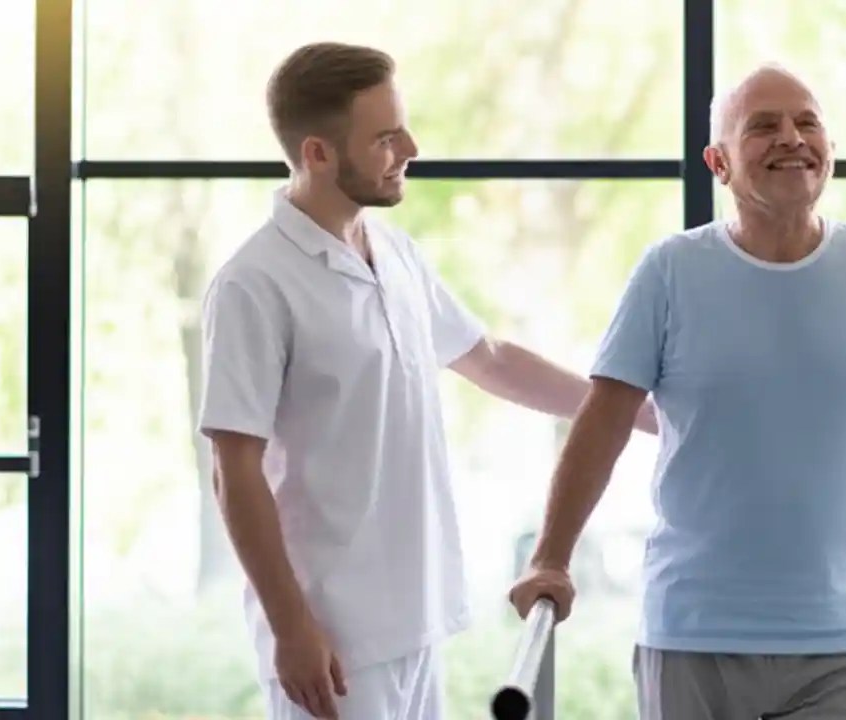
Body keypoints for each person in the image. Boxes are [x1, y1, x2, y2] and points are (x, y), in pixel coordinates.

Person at [507, 63, 846, 719]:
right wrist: (551, 559)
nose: (791, 138)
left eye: (807, 123)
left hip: (843, 637)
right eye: (763, 127)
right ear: (718, 163)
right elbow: (603, 423)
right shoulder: (670, 271)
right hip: (694, 633)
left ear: (830, 150)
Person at [198, 42, 656, 720]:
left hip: (417, 623)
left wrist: (644, 412)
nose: (410, 148)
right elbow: (234, 472)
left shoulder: (395, 253)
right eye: (385, 138)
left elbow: (491, 360)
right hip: (331, 645)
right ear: (318, 153)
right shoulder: (252, 284)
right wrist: (292, 629)